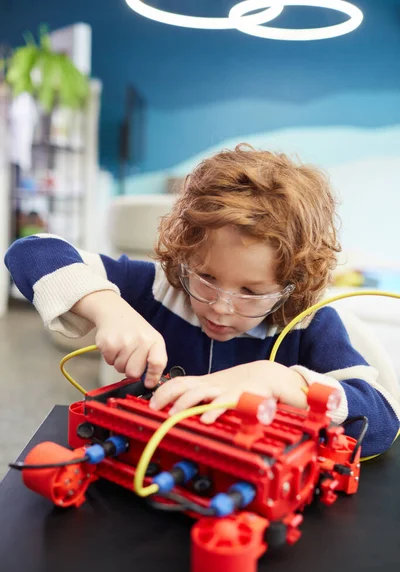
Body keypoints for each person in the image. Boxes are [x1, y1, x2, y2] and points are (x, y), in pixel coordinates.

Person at [4, 145, 399, 457]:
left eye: (251, 291)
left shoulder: (309, 325)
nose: (222, 307)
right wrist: (107, 306)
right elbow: (30, 251)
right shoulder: (160, 290)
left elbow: (381, 420)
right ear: (185, 256)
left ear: (291, 284)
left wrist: (280, 380)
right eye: (207, 277)